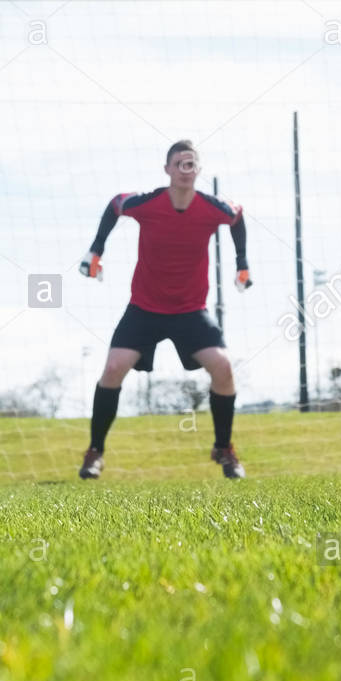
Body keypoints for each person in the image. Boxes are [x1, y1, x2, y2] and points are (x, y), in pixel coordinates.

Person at [77, 139, 252, 480]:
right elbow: (116, 204)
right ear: (168, 170)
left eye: (192, 163)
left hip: (190, 311)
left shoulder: (212, 207)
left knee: (224, 368)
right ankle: (95, 452)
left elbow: (237, 215)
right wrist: (96, 250)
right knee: (113, 367)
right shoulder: (149, 203)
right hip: (145, 308)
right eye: (180, 163)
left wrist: (242, 263)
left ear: (197, 170)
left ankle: (224, 449)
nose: (186, 169)